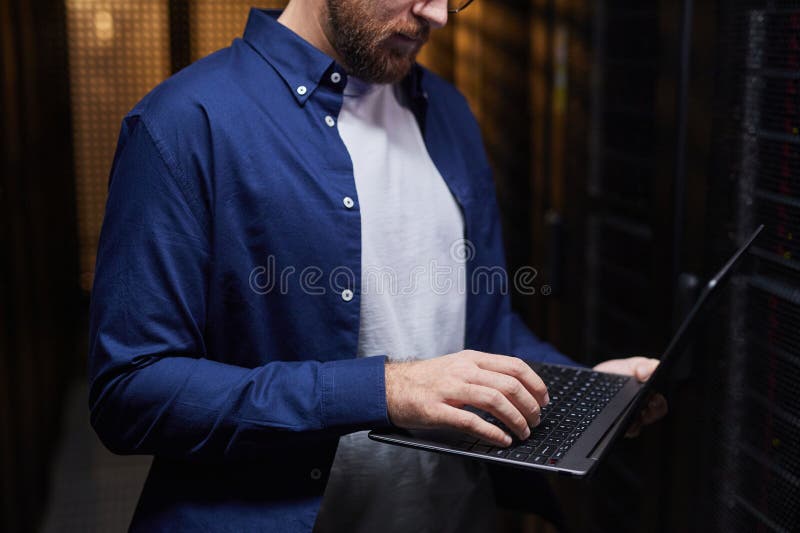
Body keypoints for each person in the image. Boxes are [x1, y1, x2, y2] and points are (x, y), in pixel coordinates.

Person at [87, 1, 667, 531]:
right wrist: (384, 389)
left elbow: (482, 332)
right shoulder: (185, 122)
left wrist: (586, 388)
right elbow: (131, 393)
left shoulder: (448, 111)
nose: (437, 15)